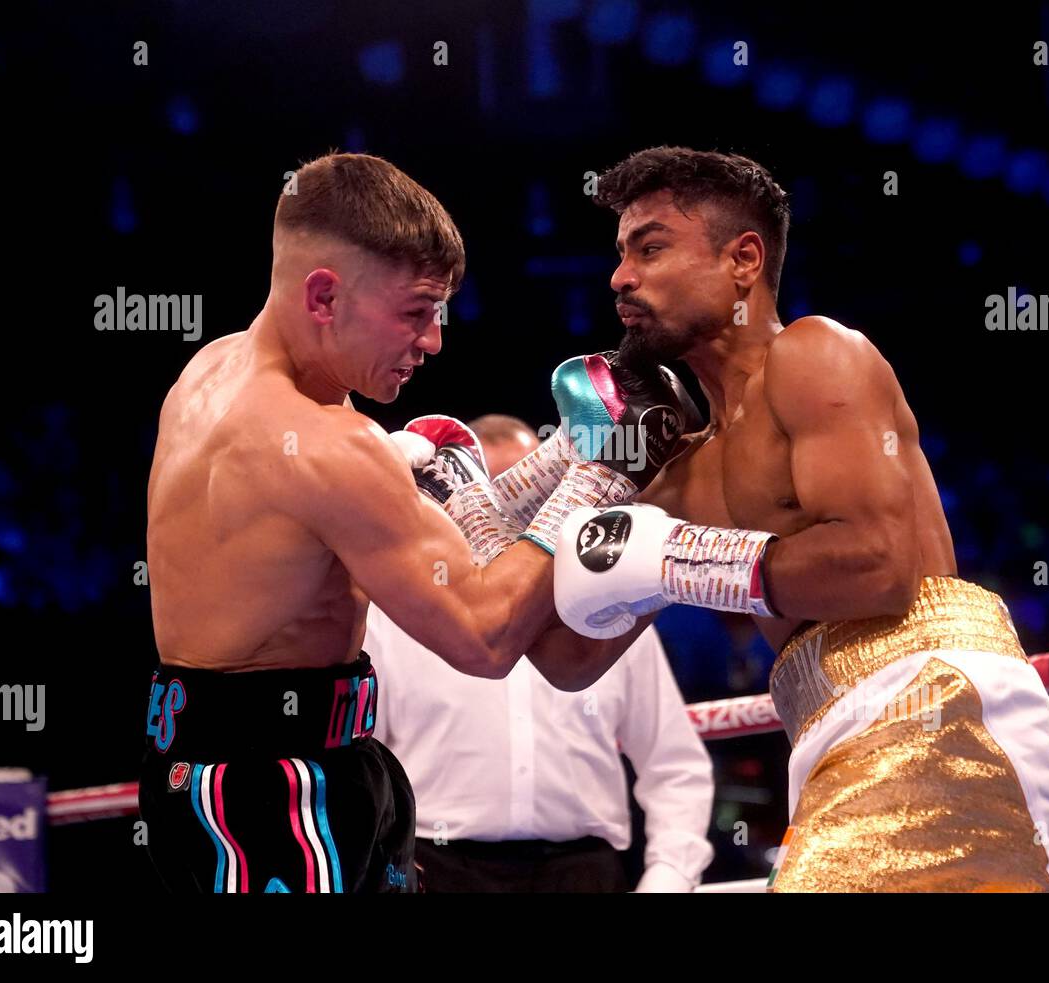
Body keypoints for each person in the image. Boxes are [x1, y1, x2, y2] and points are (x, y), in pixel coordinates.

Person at [140, 153, 695, 893]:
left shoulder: (209, 373)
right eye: (415, 311)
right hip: (273, 795)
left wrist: (557, 457)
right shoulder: (328, 450)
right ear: (324, 295)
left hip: (259, 762)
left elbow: (429, 537)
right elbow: (486, 634)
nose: (432, 340)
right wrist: (600, 472)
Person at [531, 146, 1049, 892]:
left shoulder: (815, 355)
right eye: (621, 254)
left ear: (744, 260)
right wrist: (555, 485)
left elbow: (878, 567)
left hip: (932, 698)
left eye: (650, 248)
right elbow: (564, 657)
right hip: (824, 732)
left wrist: (678, 559)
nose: (620, 277)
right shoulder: (679, 476)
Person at [365, 415, 715, 892]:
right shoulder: (401, 617)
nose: (512, 522)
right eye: (498, 501)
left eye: (535, 499)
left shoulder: (607, 613)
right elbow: (366, 769)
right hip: (438, 868)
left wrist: (669, 876)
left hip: (584, 872)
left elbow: (674, 765)